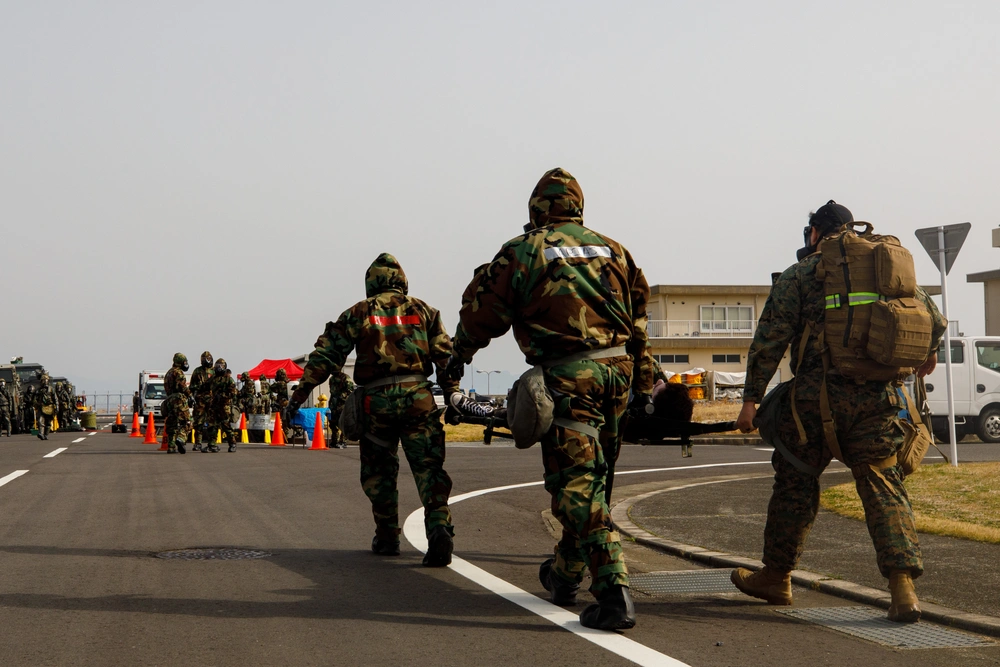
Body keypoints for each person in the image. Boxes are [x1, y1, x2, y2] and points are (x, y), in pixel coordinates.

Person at [444, 167, 652, 631]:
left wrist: (457, 357)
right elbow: (640, 322)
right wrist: (645, 382)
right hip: (617, 374)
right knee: (596, 480)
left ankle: (613, 590)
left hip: (568, 376)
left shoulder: (524, 250)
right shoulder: (615, 249)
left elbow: (482, 314)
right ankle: (563, 575)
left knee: (575, 484)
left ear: (537, 210)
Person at [732, 200, 947, 623]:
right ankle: (903, 589)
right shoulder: (885, 269)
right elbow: (934, 321)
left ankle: (777, 577)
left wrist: (751, 401)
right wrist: (929, 353)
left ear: (814, 233)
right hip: (876, 402)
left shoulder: (801, 273)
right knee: (884, 488)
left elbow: (770, 339)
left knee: (794, 485)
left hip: (811, 406)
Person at [288, 253, 458, 567]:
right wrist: (453, 394)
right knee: (429, 468)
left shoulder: (359, 312)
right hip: (418, 397)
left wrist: (298, 396)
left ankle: (388, 535)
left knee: (379, 472)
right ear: (402, 281)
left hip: (376, 402)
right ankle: (438, 527)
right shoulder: (425, 311)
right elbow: (446, 357)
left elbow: (326, 356)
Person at [163, 353, 192, 454]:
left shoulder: (168, 373)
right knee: (187, 421)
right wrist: (190, 395)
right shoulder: (179, 373)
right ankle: (181, 438)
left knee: (172, 423)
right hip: (179, 399)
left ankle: (171, 447)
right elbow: (182, 386)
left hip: (169, 400)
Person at [207, 360, 237, 453]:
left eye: (221, 365)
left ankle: (232, 444)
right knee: (212, 425)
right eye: (217, 365)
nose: (219, 367)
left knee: (226, 425)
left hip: (224, 406)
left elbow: (233, 393)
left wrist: (222, 396)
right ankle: (212, 444)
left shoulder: (228, 379)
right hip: (214, 405)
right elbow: (206, 388)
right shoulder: (213, 378)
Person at [189, 351, 214, 452]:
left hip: (212, 400)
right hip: (200, 400)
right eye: (204, 359)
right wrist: (198, 388)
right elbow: (191, 386)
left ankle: (211, 443)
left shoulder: (214, 371)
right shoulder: (197, 371)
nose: (206, 361)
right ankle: (198, 443)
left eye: (208, 359)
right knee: (198, 422)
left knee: (212, 422)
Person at [328, 373, 355, 448]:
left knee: (343, 422)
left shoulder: (346, 378)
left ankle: (343, 441)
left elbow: (350, 391)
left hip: (342, 403)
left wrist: (342, 397)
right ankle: (334, 441)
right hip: (333, 403)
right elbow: (332, 391)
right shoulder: (332, 379)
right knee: (333, 423)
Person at [34, 375, 57, 440]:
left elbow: (55, 398)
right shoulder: (38, 390)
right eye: (43, 380)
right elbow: (35, 399)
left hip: (49, 407)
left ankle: (46, 434)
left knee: (48, 422)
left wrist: (57, 407)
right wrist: (36, 404)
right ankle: (41, 433)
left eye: (45, 380)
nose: (44, 382)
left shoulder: (51, 389)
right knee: (40, 421)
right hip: (41, 407)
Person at [270, 368, 290, 440]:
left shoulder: (279, 384)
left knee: (282, 419)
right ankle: (286, 436)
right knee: (285, 419)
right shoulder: (288, 383)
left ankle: (284, 437)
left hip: (282, 403)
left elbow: (271, 387)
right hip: (288, 402)